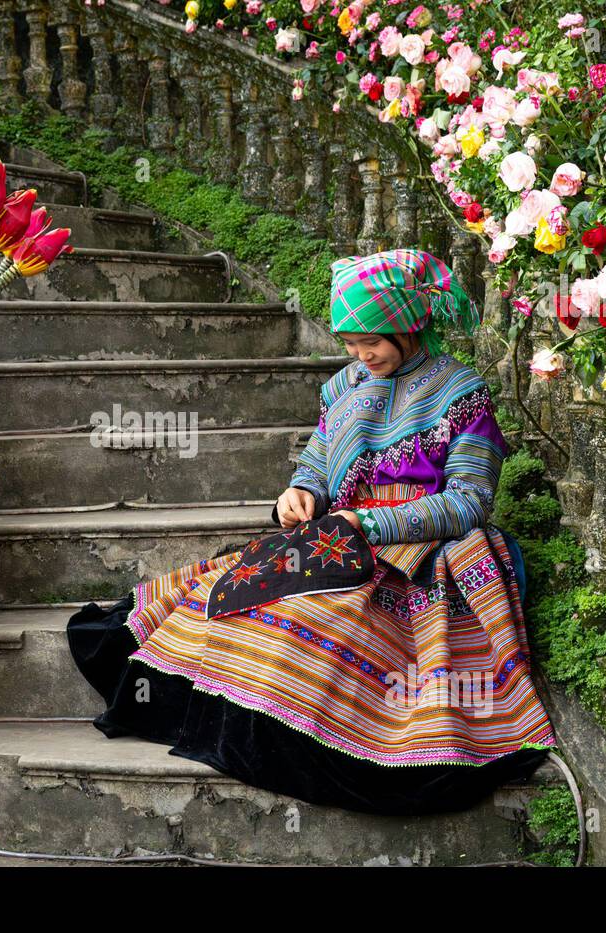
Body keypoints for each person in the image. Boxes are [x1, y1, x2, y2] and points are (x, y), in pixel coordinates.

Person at [66, 249, 557, 814]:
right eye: (349, 342)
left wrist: (369, 521)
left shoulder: (461, 392)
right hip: (335, 539)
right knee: (229, 601)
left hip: (423, 551)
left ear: (408, 325)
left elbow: (469, 501)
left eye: (371, 341)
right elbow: (319, 465)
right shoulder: (342, 387)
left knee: (322, 625)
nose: (359, 354)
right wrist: (299, 495)